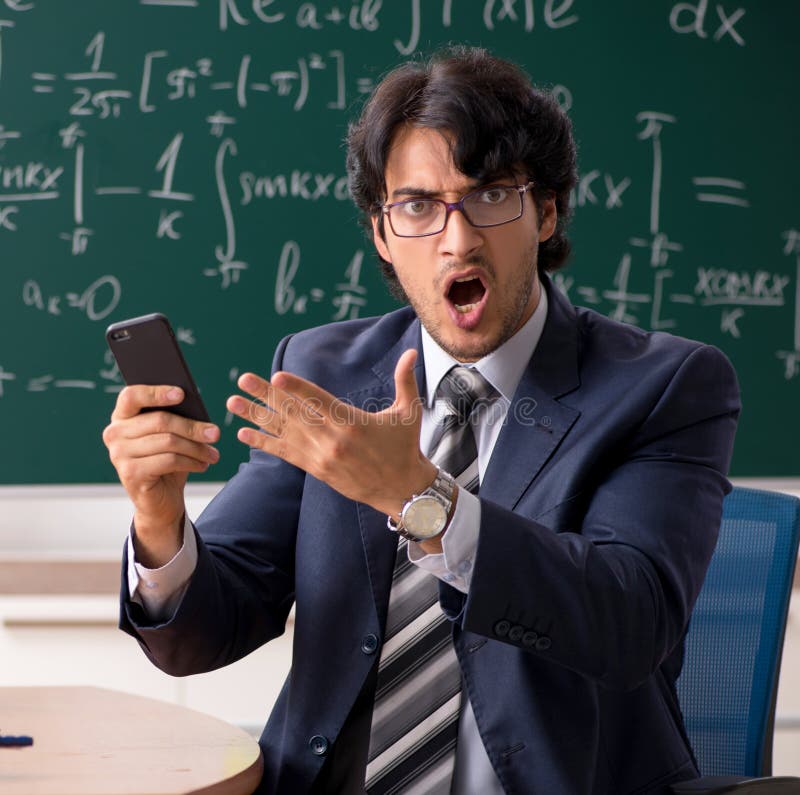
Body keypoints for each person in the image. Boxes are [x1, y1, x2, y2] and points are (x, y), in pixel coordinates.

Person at [103, 46, 740, 794]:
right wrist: (158, 518)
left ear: (547, 210)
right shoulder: (323, 373)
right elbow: (205, 630)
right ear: (380, 234)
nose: (458, 238)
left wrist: (421, 497)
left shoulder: (664, 387)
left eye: (493, 195)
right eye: (417, 206)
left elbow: (630, 622)